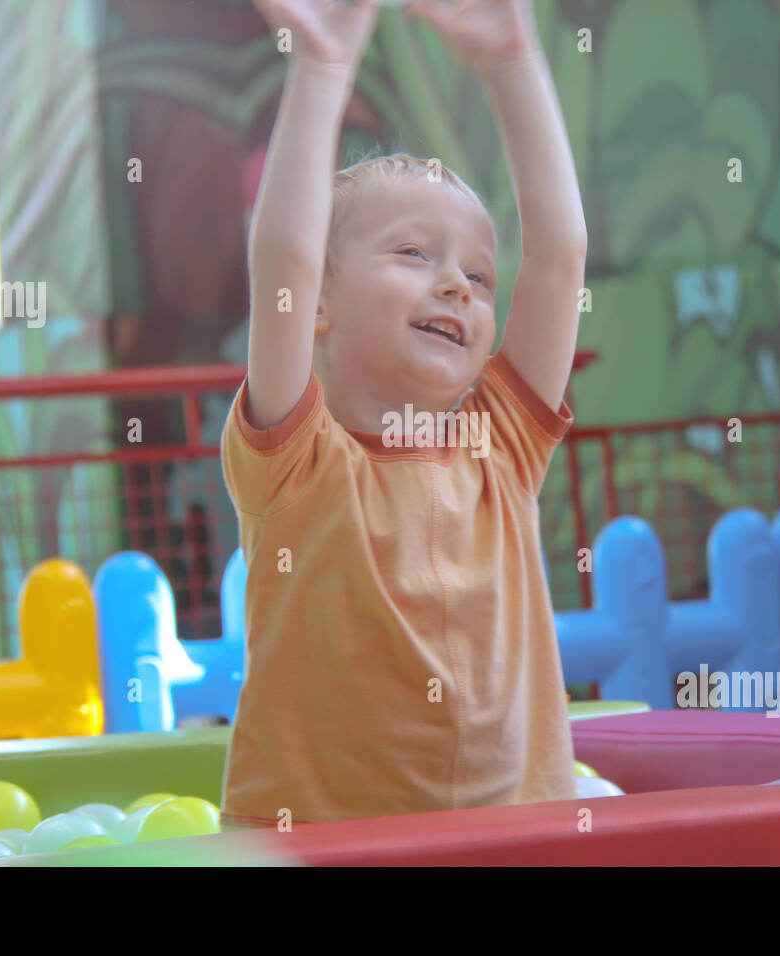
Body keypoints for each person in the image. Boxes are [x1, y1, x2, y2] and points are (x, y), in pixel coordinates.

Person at [221, 0, 588, 830]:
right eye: (414, 254)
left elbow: (560, 258)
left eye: (479, 278)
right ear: (317, 301)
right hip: (327, 845)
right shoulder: (297, 464)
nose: (457, 284)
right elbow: (282, 256)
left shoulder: (502, 451)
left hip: (515, 839)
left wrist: (513, 61)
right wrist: (320, 69)